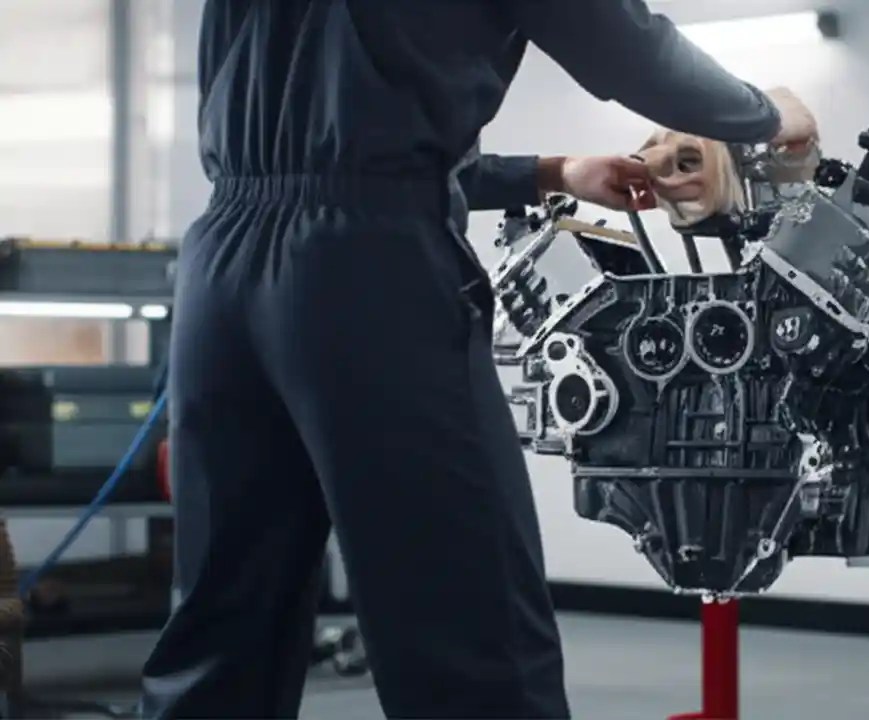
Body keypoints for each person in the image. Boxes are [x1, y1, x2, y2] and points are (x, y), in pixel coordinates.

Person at [140, 1, 817, 718]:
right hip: (364, 275)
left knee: (223, 615)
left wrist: (551, 172)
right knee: (469, 618)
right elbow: (628, 49)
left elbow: (334, 146)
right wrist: (767, 116)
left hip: (220, 270)